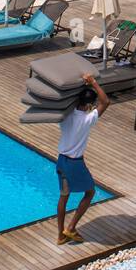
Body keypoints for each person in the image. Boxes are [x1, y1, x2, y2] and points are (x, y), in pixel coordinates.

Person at [55, 73, 110, 245]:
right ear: (90, 105)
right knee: (90, 192)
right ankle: (71, 228)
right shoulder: (88, 119)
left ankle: (60, 235)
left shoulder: (66, 116)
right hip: (75, 163)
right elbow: (106, 102)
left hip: (61, 161)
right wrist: (93, 82)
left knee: (64, 196)